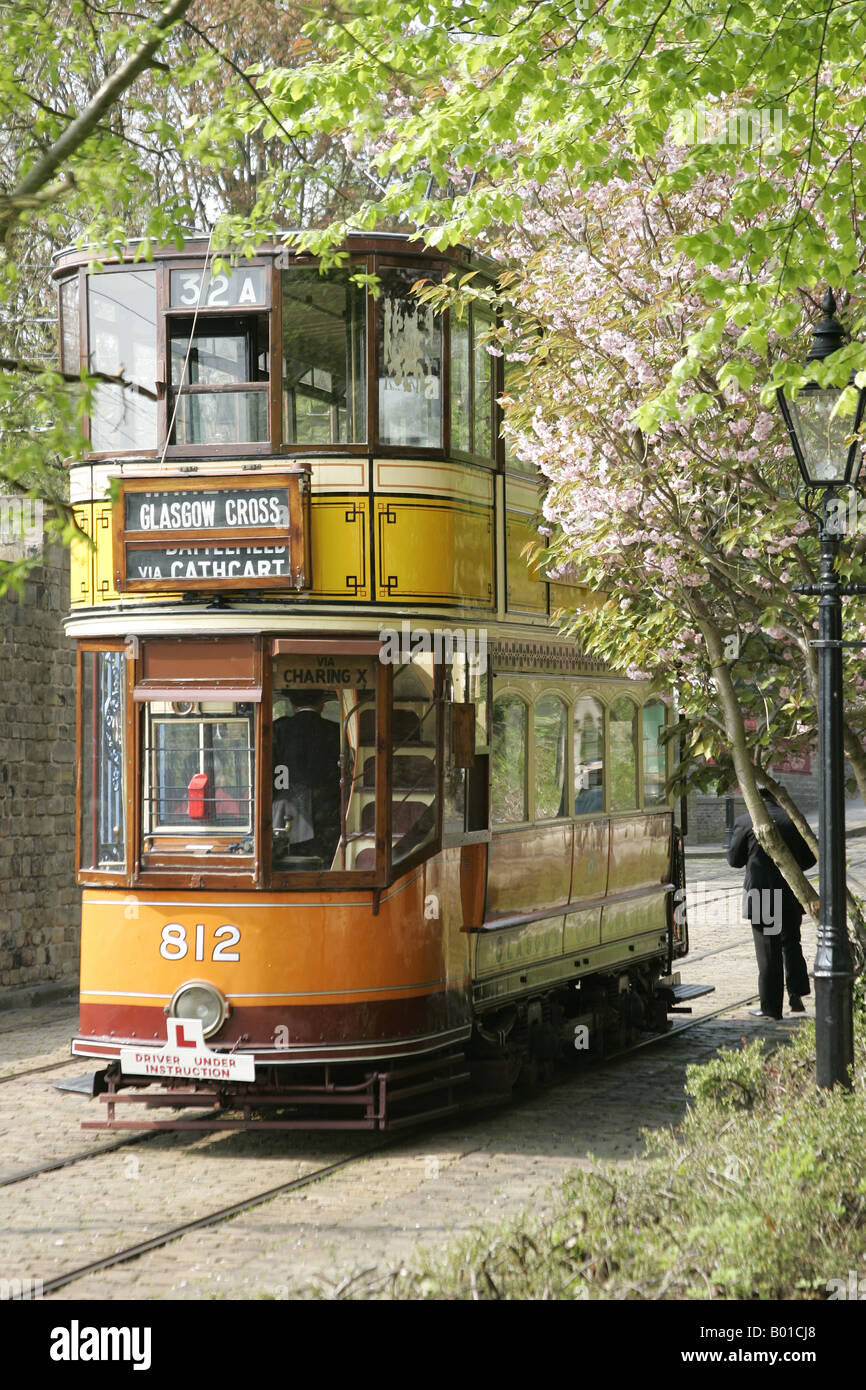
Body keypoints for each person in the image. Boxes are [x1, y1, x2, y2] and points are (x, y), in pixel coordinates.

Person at [727, 787, 816, 1020]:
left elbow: (734, 861)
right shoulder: (791, 819)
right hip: (789, 890)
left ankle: (771, 1008)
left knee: (768, 952)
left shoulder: (746, 821)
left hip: (761, 895)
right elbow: (810, 858)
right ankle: (796, 994)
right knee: (791, 942)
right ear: (775, 795)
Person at [272, 690, 342, 862]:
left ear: (292, 705)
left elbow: (268, 769)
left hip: (287, 815)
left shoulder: (279, 729)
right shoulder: (335, 731)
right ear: (322, 704)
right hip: (329, 816)